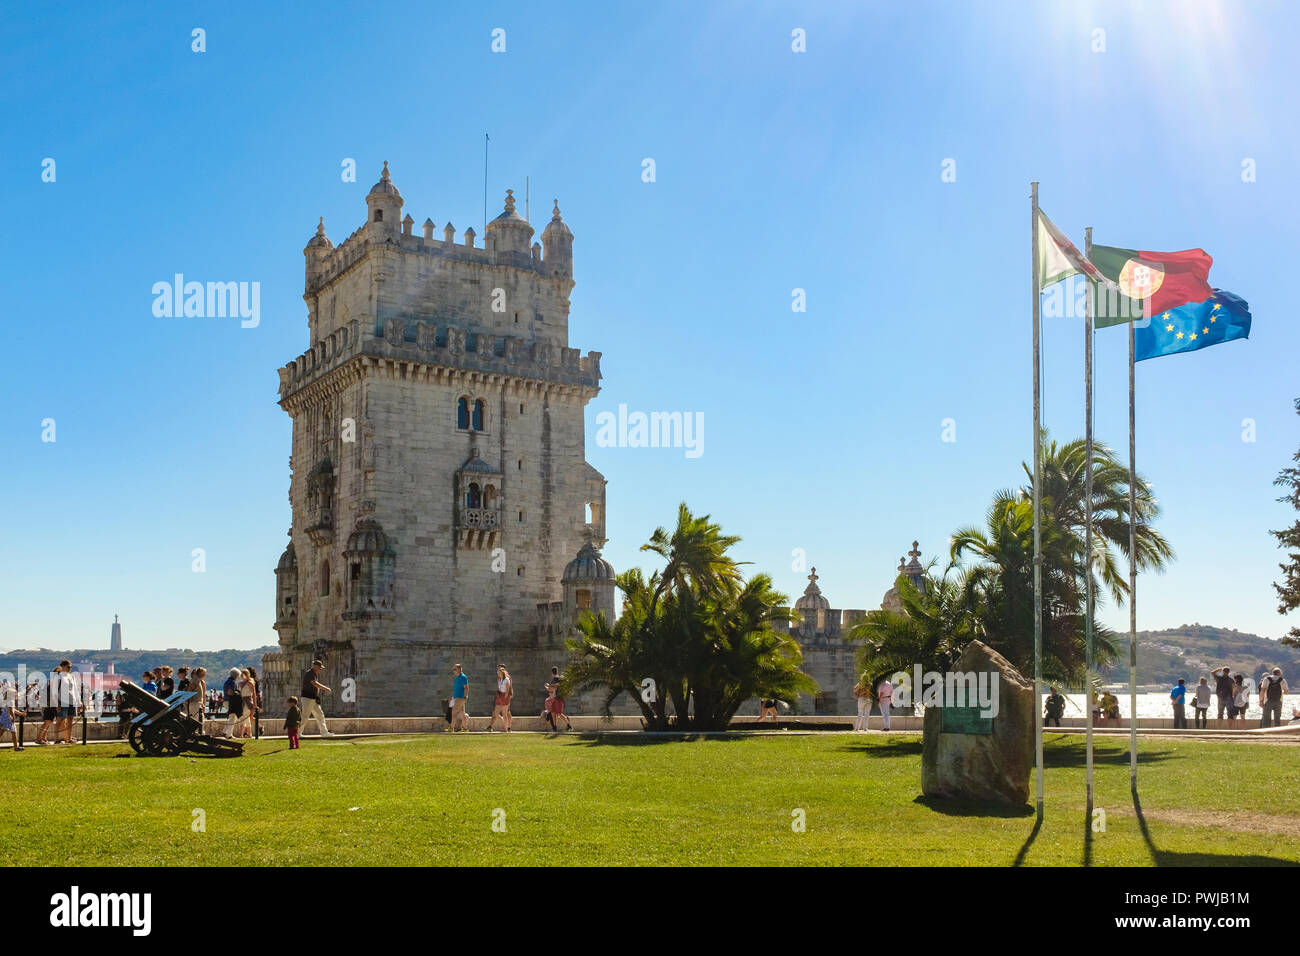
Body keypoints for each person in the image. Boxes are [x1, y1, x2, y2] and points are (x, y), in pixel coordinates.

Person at [300, 660, 333, 737]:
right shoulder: (310, 674)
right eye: (320, 668)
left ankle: (324, 733)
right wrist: (326, 688)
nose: (320, 670)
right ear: (316, 667)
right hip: (308, 698)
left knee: (320, 715)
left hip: (313, 699)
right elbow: (315, 683)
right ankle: (297, 733)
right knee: (305, 716)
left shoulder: (313, 674)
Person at [1, 680, 23, 752]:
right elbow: (11, 710)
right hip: (8, 719)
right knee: (12, 733)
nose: (16, 695)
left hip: (4, 718)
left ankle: (16, 747)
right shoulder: (10, 701)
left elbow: (12, 710)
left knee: (10, 732)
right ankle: (16, 747)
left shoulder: (6, 700)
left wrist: (21, 713)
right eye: (15, 694)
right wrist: (13, 718)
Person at [489, 665, 513, 732]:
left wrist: (506, 698)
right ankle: (505, 725)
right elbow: (498, 687)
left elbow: (508, 689)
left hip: (505, 696)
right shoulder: (499, 679)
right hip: (500, 696)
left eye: (499, 671)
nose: (498, 672)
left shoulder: (507, 679)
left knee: (506, 713)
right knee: (496, 713)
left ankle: (507, 728)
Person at [222, 668, 244, 738]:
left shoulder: (227, 681)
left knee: (232, 717)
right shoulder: (232, 682)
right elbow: (230, 692)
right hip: (230, 702)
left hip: (226, 701)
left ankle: (225, 732)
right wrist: (238, 694)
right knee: (233, 718)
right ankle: (228, 734)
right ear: (236, 675)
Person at [450, 664, 469, 732]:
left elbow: (466, 687)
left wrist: (465, 696)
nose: (453, 671)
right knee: (462, 713)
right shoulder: (457, 677)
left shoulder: (463, 677)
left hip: (460, 697)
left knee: (454, 712)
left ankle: (451, 728)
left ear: (459, 669)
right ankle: (465, 728)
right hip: (457, 697)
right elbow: (456, 688)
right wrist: (452, 696)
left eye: (455, 669)